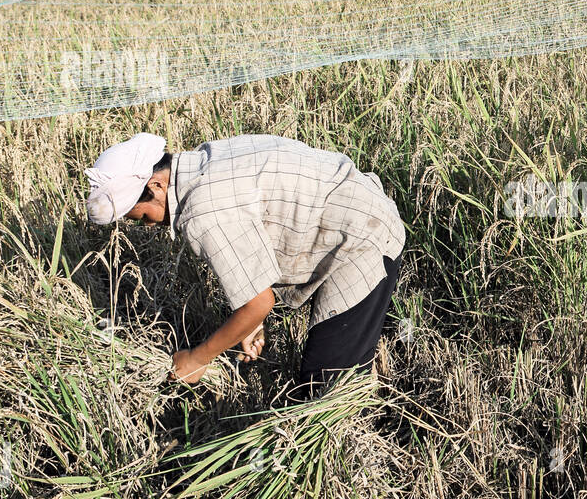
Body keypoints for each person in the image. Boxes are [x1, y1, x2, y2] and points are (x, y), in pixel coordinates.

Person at [84, 133, 405, 396]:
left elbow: (258, 303)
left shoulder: (201, 212)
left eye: (141, 218)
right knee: (333, 368)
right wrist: (251, 322)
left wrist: (198, 358)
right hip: (356, 207)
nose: (148, 226)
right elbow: (263, 222)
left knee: (327, 389)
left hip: (362, 238)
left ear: (156, 185)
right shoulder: (204, 160)